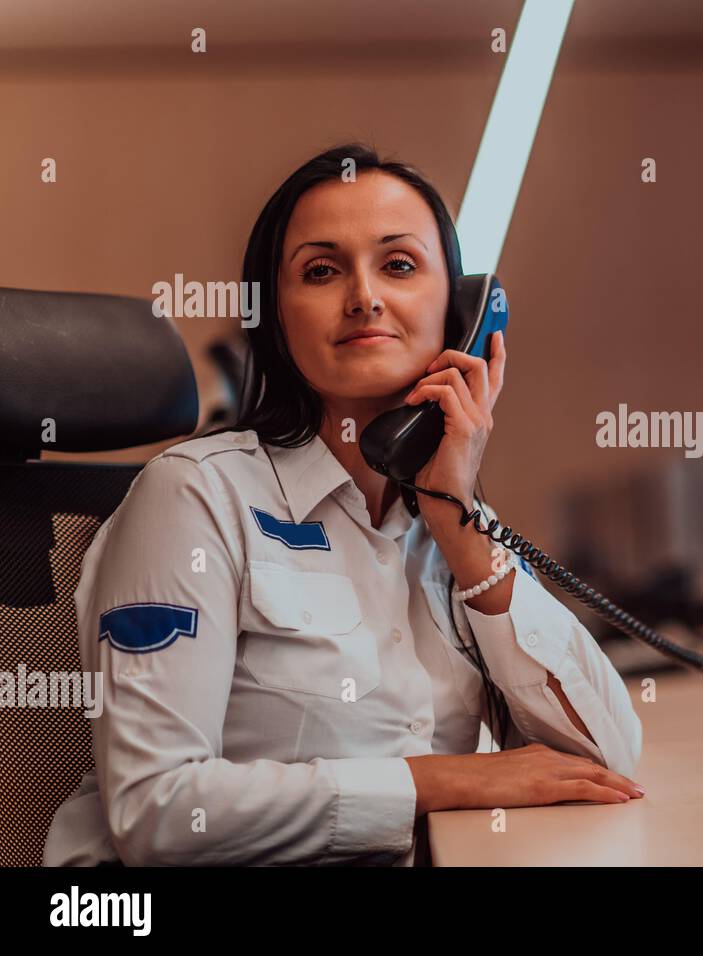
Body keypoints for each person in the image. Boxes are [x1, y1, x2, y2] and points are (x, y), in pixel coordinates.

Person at [42, 144, 644, 866]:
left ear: (461, 315)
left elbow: (605, 755)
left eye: (398, 265)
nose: (364, 296)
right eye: (321, 271)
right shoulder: (195, 496)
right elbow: (159, 812)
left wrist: (461, 530)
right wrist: (433, 781)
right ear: (274, 318)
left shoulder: (446, 524)